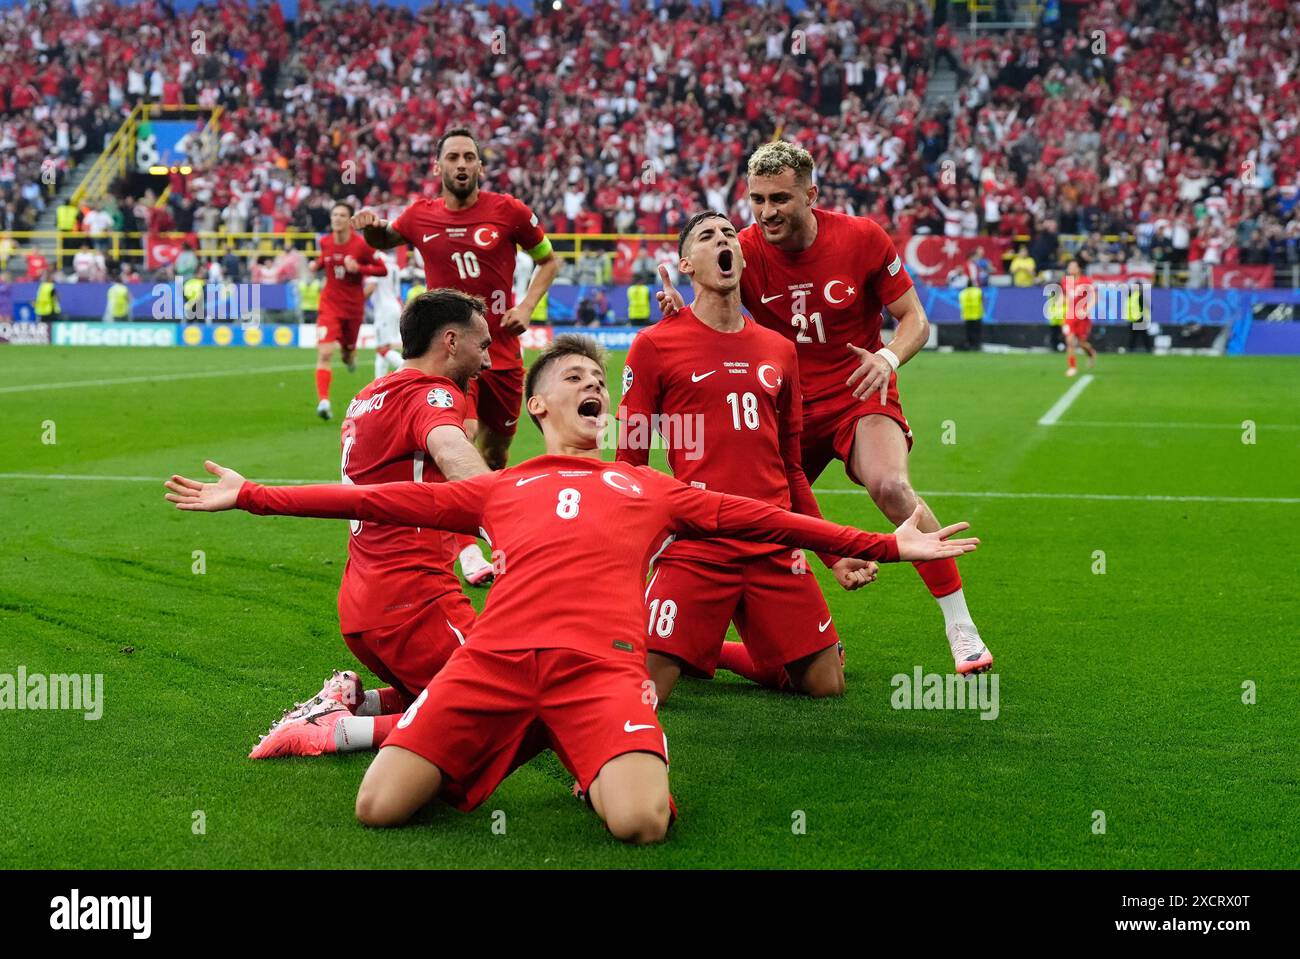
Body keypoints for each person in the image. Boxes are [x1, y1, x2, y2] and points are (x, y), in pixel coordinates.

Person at [165, 334, 979, 842]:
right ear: (543, 405)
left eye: (604, 378)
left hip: (601, 670)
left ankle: (582, 745)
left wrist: (886, 543)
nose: (599, 387)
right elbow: (372, 497)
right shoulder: (498, 487)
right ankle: (536, 736)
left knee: (643, 821)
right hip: (492, 663)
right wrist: (253, 494)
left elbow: (764, 519)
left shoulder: (647, 488)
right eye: (581, 377)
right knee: (377, 807)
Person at [659, 141, 993, 675]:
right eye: (758, 199)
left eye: (781, 199)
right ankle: (679, 634)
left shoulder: (861, 238)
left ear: (811, 195)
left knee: (890, 486)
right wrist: (680, 310)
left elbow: (915, 319)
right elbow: (712, 300)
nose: (767, 212)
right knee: (736, 520)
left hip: (858, 390)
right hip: (782, 402)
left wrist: (887, 357)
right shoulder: (741, 248)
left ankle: (960, 626)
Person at [620, 211, 876, 702]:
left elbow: (792, 467)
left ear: (740, 257)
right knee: (643, 690)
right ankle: (683, 643)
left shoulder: (779, 349)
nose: (722, 241)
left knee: (826, 685)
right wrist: (630, 555)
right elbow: (629, 464)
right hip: (697, 542)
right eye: (707, 236)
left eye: (728, 236)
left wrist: (833, 556)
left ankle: (708, 649)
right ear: (686, 265)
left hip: (771, 539)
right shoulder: (654, 345)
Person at [250, 289, 494, 759]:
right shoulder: (433, 393)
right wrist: (510, 509)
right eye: (481, 345)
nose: (487, 358)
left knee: (440, 689)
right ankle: (333, 732)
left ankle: (354, 704)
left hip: (365, 605)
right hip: (415, 604)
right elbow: (449, 448)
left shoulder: (367, 396)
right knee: (497, 708)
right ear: (449, 341)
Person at [353, 129, 561, 585]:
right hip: (446, 355)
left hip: (500, 350)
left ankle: (487, 520)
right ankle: (470, 549)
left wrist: (527, 306)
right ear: (438, 167)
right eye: (453, 157)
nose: (461, 164)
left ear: (480, 167)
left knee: (496, 450)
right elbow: (381, 241)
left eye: (469, 157)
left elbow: (549, 259)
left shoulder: (509, 211)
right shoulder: (419, 216)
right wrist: (368, 225)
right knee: (456, 435)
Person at [311, 201, 388, 420]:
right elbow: (324, 260)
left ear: (350, 220)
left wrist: (360, 268)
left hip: (353, 307)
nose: (337, 218)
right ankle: (324, 402)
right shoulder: (325, 242)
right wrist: (315, 266)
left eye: (342, 215)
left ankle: (350, 357)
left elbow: (383, 269)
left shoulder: (361, 246)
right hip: (329, 305)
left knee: (346, 355)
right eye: (334, 214)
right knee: (325, 352)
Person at [365, 249, 404, 380]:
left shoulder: (377, 262)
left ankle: (409, 370)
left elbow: (371, 287)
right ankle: (378, 384)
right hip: (394, 306)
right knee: (383, 348)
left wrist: (355, 301)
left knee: (382, 349)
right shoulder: (393, 264)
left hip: (384, 309)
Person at [1062, 259, 1097, 376]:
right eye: (1069, 266)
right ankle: (1072, 367)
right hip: (1070, 316)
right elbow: (1066, 296)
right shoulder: (1065, 281)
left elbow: (1094, 297)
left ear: (1078, 269)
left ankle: (1091, 353)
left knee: (1082, 343)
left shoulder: (1086, 281)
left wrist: (1086, 309)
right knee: (1070, 341)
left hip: (1082, 317)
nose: (1071, 269)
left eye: (1073, 266)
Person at [959, 277, 984, 350]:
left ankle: (969, 345)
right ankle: (977, 346)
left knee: (968, 332)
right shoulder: (978, 291)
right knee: (977, 332)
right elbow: (982, 300)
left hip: (967, 315)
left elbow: (961, 303)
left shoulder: (962, 293)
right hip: (977, 315)